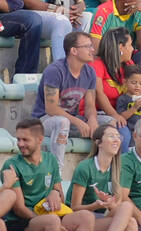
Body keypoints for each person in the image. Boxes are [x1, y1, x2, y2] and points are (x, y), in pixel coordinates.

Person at [33, 30, 99, 158]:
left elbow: (90, 105)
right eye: (88, 46)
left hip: (71, 119)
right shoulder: (55, 71)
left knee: (109, 124)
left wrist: (92, 119)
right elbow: (51, 109)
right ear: (74, 51)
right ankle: (57, 173)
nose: (92, 50)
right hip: (45, 120)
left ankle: (98, 171)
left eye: (92, 46)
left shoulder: (90, 72)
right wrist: (78, 123)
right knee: (63, 123)